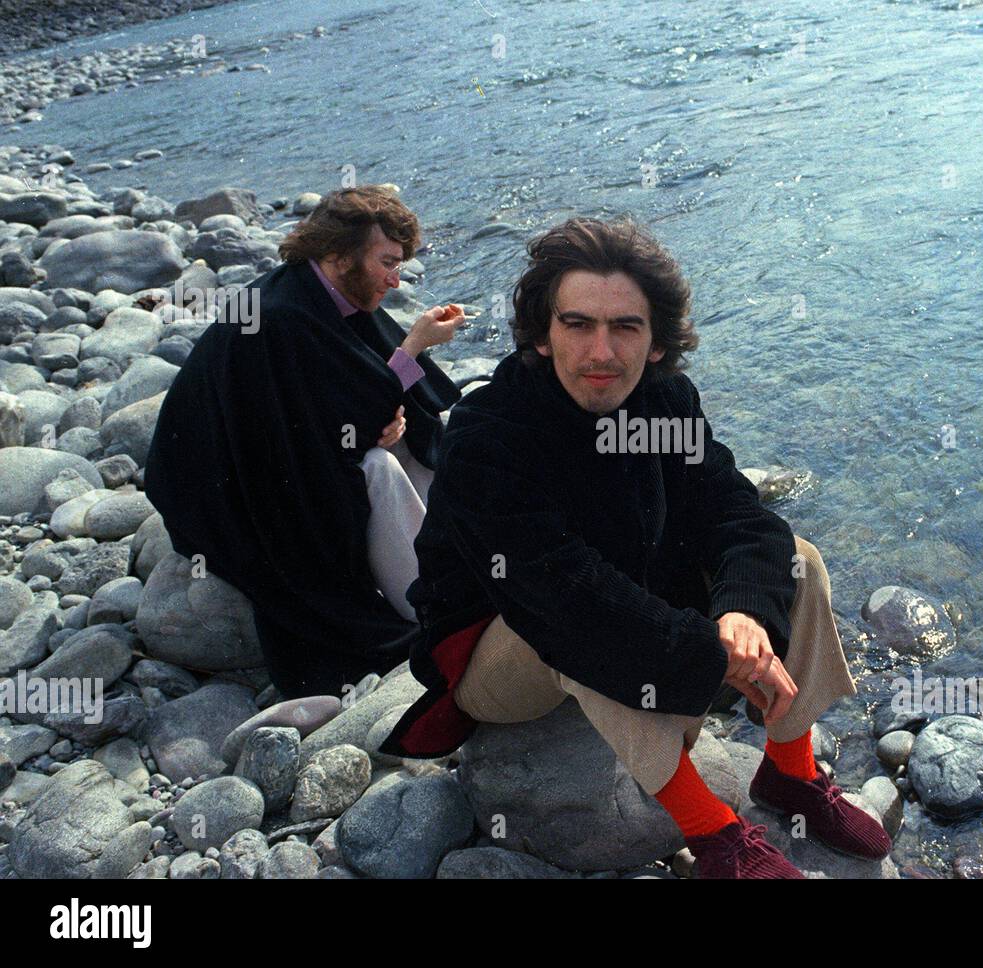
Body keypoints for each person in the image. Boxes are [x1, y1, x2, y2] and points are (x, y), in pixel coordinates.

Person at [381, 216, 890, 878]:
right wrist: (711, 654)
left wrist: (743, 615)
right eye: (577, 324)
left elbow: (736, 510)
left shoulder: (663, 404)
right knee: (587, 623)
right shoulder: (492, 437)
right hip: (495, 659)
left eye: (626, 326)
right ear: (541, 333)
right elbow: (565, 600)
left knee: (796, 559)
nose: (601, 352)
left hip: (613, 593)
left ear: (656, 341)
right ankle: (713, 834)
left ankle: (791, 772)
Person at [144, 185, 466, 698]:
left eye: (399, 263)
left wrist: (385, 416)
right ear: (339, 256)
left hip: (277, 457)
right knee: (379, 466)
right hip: (216, 498)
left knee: (420, 441)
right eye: (386, 262)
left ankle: (463, 559)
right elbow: (299, 446)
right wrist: (412, 351)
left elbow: (354, 395)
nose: (395, 278)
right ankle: (433, 604)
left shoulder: (328, 292)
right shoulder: (281, 318)